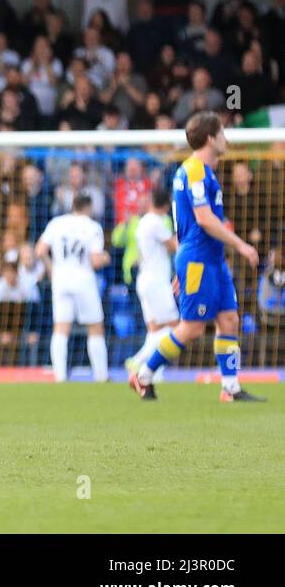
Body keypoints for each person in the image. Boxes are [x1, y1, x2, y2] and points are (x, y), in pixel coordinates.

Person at [129, 112, 265, 402]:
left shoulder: (205, 172)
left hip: (212, 260)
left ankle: (230, 387)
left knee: (228, 319)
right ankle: (143, 374)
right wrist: (241, 245)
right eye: (223, 133)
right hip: (197, 260)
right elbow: (203, 219)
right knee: (191, 328)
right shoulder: (193, 171)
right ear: (210, 138)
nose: (226, 138)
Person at [36, 193, 111, 383]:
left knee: (61, 328)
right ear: (88, 208)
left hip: (60, 280)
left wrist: (51, 268)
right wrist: (105, 258)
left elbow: (40, 250)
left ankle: (59, 376)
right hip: (83, 280)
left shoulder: (57, 223)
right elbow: (95, 261)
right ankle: (101, 376)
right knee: (95, 327)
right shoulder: (93, 227)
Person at [125, 189, 179, 395]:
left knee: (155, 329)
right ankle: (138, 361)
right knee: (174, 326)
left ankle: (155, 372)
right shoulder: (156, 222)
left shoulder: (143, 222)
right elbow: (174, 246)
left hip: (145, 279)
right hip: (156, 281)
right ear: (166, 206)